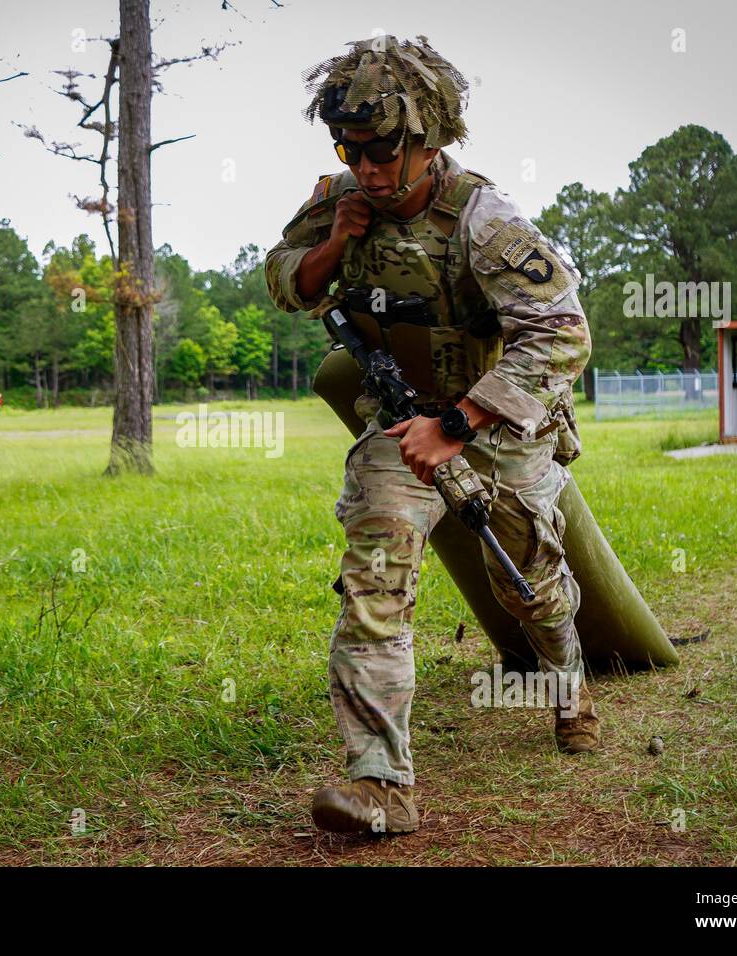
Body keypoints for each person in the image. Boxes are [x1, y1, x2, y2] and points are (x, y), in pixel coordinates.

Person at [264, 35, 600, 835]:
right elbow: (284, 278)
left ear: (430, 139)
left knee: (533, 584)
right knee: (374, 587)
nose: (370, 170)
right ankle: (382, 784)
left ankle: (568, 682)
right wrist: (337, 241)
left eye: (385, 152)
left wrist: (459, 424)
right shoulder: (342, 197)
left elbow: (563, 334)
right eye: (352, 150)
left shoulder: (486, 220)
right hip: (399, 416)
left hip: (494, 426)